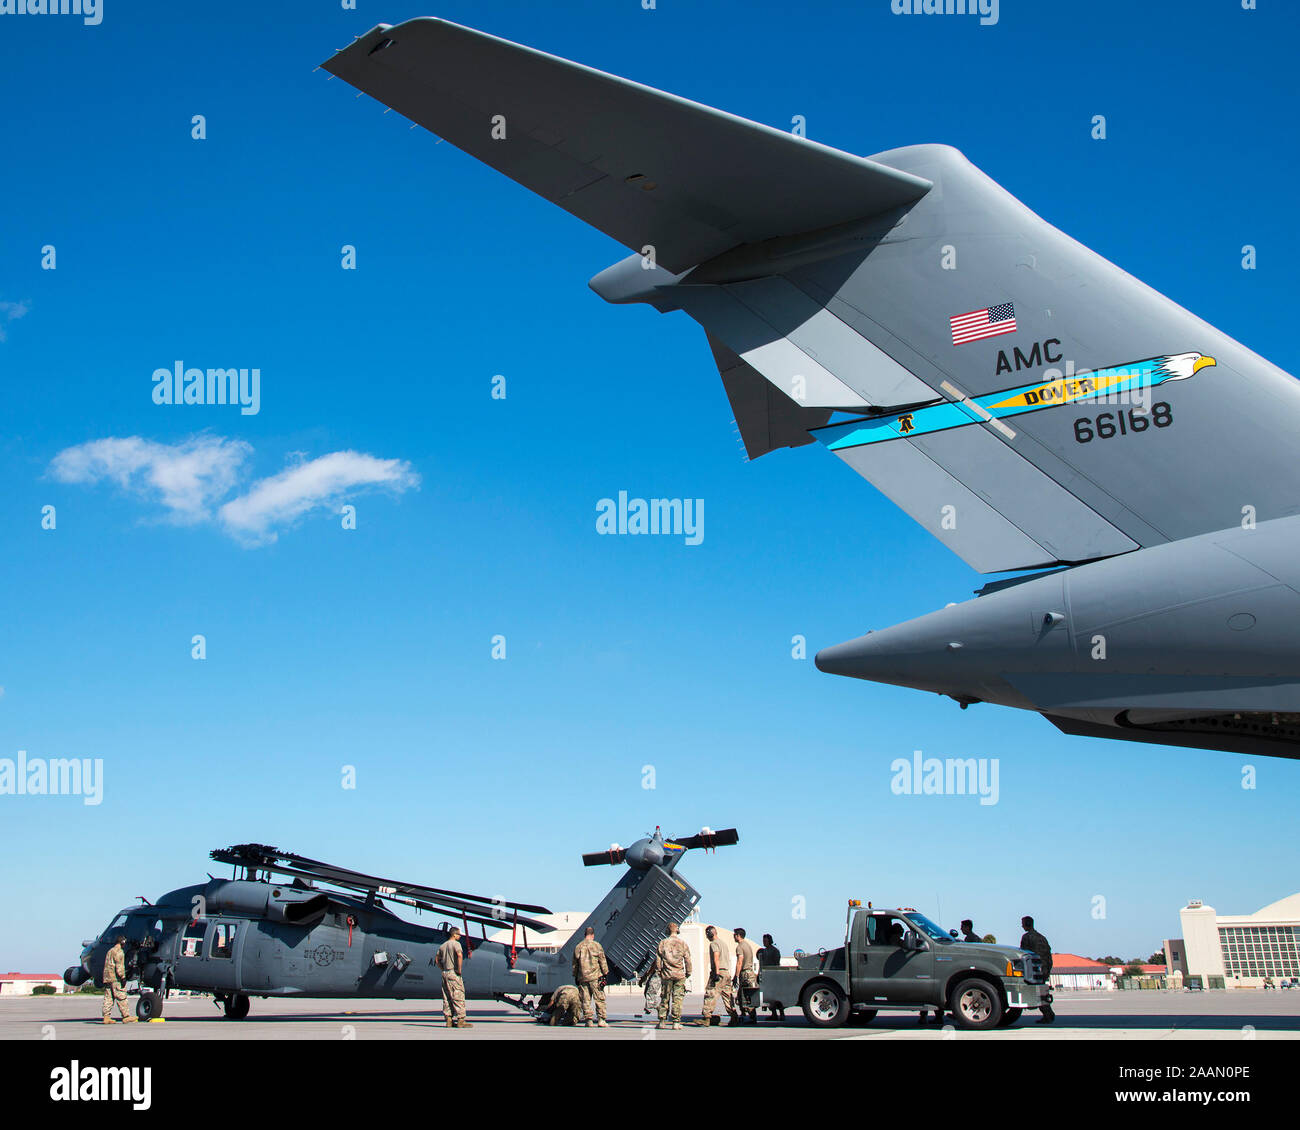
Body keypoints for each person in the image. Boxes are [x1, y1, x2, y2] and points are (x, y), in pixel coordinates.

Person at [694, 926, 738, 1027]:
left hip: (719, 972)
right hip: (726, 973)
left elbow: (716, 958)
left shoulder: (714, 944)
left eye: (707, 934)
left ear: (710, 934)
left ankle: (707, 1018)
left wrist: (716, 973)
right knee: (727, 996)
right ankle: (734, 1016)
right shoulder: (723, 943)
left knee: (710, 994)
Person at [654, 921, 692, 1030]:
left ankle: (662, 1021)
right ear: (677, 930)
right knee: (678, 998)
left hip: (667, 974)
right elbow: (688, 960)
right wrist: (688, 972)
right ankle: (676, 1022)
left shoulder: (663, 943)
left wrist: (659, 971)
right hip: (679, 975)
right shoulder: (683, 943)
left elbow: (658, 960)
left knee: (664, 997)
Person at [1019, 915, 1055, 1024]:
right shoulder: (1041, 937)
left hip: (1034, 970)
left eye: (1023, 923)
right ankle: (1048, 1014)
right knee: (1041, 992)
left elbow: (1023, 954)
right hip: (1043, 969)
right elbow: (1048, 955)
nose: (1021, 926)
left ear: (1026, 925)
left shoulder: (1026, 937)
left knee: (1037, 994)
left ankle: (1048, 1014)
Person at [572, 926, 609, 1028]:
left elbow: (575, 964)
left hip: (583, 978)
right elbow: (602, 961)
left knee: (585, 1000)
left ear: (585, 935)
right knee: (599, 999)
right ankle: (601, 1020)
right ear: (593, 935)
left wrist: (575, 975)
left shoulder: (578, 947)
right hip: (595, 977)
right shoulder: (597, 946)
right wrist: (605, 974)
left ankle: (589, 1020)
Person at [436, 927, 473, 1029]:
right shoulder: (456, 944)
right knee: (458, 995)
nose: (460, 936)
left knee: (447, 997)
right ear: (454, 935)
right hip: (453, 972)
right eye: (459, 934)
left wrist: (442, 968)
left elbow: (437, 959)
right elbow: (459, 955)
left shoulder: (443, 945)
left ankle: (448, 1020)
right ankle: (461, 1020)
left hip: (445, 973)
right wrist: (459, 969)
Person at [101, 935, 135, 1024]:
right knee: (121, 996)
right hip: (116, 979)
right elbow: (119, 966)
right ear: (122, 942)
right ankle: (126, 1016)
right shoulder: (119, 952)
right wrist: (123, 977)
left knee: (109, 998)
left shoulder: (110, 951)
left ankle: (106, 1017)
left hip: (108, 978)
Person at [733, 927, 760, 1024]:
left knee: (744, 996)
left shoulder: (740, 947)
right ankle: (747, 1015)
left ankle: (751, 1017)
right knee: (747, 995)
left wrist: (736, 976)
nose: (733, 936)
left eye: (734, 934)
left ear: (738, 936)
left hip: (745, 973)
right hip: (750, 973)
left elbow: (740, 961)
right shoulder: (748, 945)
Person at [757, 934, 785, 1020]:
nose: (764, 942)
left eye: (765, 941)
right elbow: (761, 964)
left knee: (777, 997)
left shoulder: (775, 951)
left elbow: (776, 964)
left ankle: (781, 1014)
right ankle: (774, 1014)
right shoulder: (764, 951)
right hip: (766, 977)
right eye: (763, 941)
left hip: (774, 977)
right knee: (769, 998)